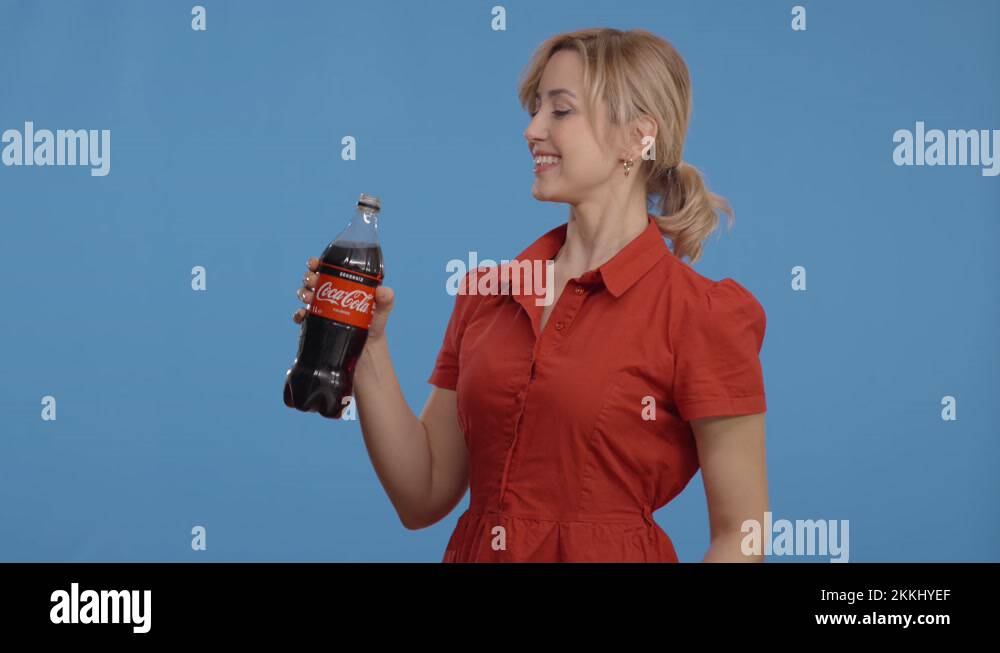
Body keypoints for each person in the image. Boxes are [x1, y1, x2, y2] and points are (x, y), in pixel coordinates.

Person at [293, 28, 768, 562]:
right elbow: (422, 494)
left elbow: (742, 536)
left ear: (638, 136)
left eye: (560, 111)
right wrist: (367, 347)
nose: (532, 129)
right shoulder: (488, 294)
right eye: (536, 108)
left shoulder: (702, 316)